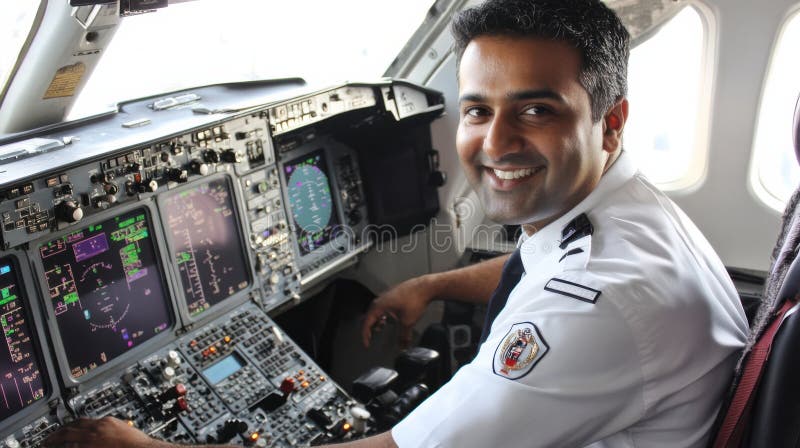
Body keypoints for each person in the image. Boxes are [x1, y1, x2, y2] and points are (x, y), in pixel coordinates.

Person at [44, 0, 748, 447]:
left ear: (611, 121)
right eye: (477, 110)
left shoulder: (596, 309)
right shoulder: (623, 217)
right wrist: (433, 282)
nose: (495, 143)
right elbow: (541, 267)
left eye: (536, 110)